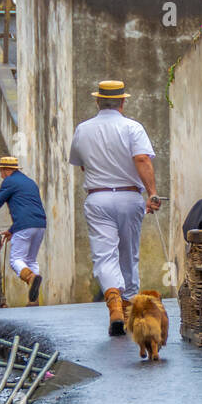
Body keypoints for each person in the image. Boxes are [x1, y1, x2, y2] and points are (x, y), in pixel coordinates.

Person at [69, 79, 162, 336]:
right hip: (129, 196)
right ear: (122, 102)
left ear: (98, 101)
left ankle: (115, 307)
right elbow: (141, 158)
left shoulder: (83, 129)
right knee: (128, 253)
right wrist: (152, 193)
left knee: (104, 254)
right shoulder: (133, 128)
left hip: (98, 196)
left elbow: (83, 165)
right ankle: (129, 305)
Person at [0, 156, 48, 305]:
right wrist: (12, 230)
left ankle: (31, 278)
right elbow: (28, 208)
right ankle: (34, 300)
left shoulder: (9, 181)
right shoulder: (30, 182)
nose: (1, 174)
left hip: (24, 226)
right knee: (31, 260)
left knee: (16, 260)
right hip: (40, 225)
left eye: (1, 171)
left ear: (6, 170)